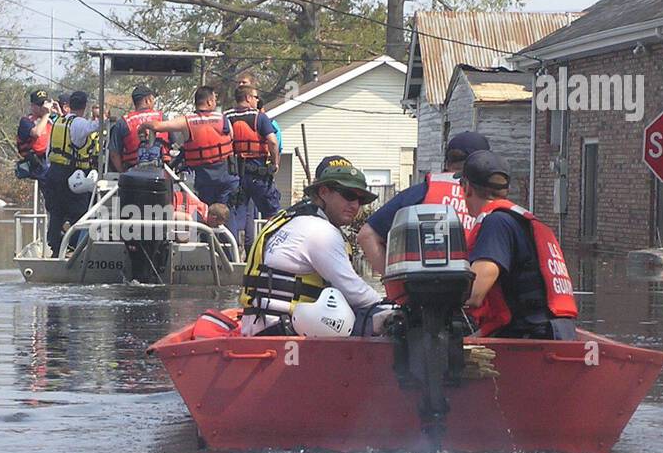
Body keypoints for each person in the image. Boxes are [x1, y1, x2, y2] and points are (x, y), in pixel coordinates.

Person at [240, 155, 385, 336]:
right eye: (348, 195)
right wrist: (390, 307)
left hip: (258, 322)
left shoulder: (289, 218)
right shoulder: (321, 231)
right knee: (377, 318)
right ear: (323, 192)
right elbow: (356, 293)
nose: (355, 205)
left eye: (361, 199)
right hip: (279, 330)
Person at [460, 150, 578, 340]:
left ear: (466, 188)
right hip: (562, 332)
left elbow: (474, 294)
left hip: (532, 337)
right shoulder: (524, 222)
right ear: (504, 191)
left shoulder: (496, 224)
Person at [357, 131, 492, 273]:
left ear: (447, 162)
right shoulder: (492, 199)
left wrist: (393, 281)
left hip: (420, 289)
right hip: (475, 289)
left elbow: (366, 235)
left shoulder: (420, 192)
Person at [146, 85, 238, 209]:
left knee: (205, 213)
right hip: (227, 176)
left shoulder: (186, 121)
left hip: (204, 178)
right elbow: (232, 139)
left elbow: (157, 126)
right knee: (227, 214)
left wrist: (144, 126)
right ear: (209, 101)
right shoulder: (223, 119)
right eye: (214, 100)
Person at [224, 79, 281, 250]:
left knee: (238, 215)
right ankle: (270, 249)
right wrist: (275, 162)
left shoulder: (227, 118)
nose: (258, 101)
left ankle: (236, 251)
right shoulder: (260, 117)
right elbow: (272, 142)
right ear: (248, 98)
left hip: (235, 175)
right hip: (258, 175)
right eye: (256, 97)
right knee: (272, 213)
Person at [44, 90, 101, 255]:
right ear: (85, 106)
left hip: (53, 173)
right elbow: (98, 126)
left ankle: (55, 247)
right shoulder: (80, 124)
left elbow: (48, 152)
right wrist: (108, 119)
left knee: (56, 212)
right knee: (80, 213)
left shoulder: (57, 122)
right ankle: (76, 249)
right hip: (71, 175)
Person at [110, 84, 170, 172]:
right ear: (148, 100)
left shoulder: (123, 122)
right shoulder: (162, 118)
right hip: (160, 173)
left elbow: (114, 154)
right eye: (153, 99)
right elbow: (173, 144)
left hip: (133, 174)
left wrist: (122, 173)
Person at [15, 88, 51, 181]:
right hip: (37, 163)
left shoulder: (50, 120)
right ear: (33, 106)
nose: (43, 107)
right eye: (40, 104)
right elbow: (37, 133)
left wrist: (59, 112)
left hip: (50, 159)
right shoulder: (26, 121)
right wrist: (46, 114)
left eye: (44, 103)